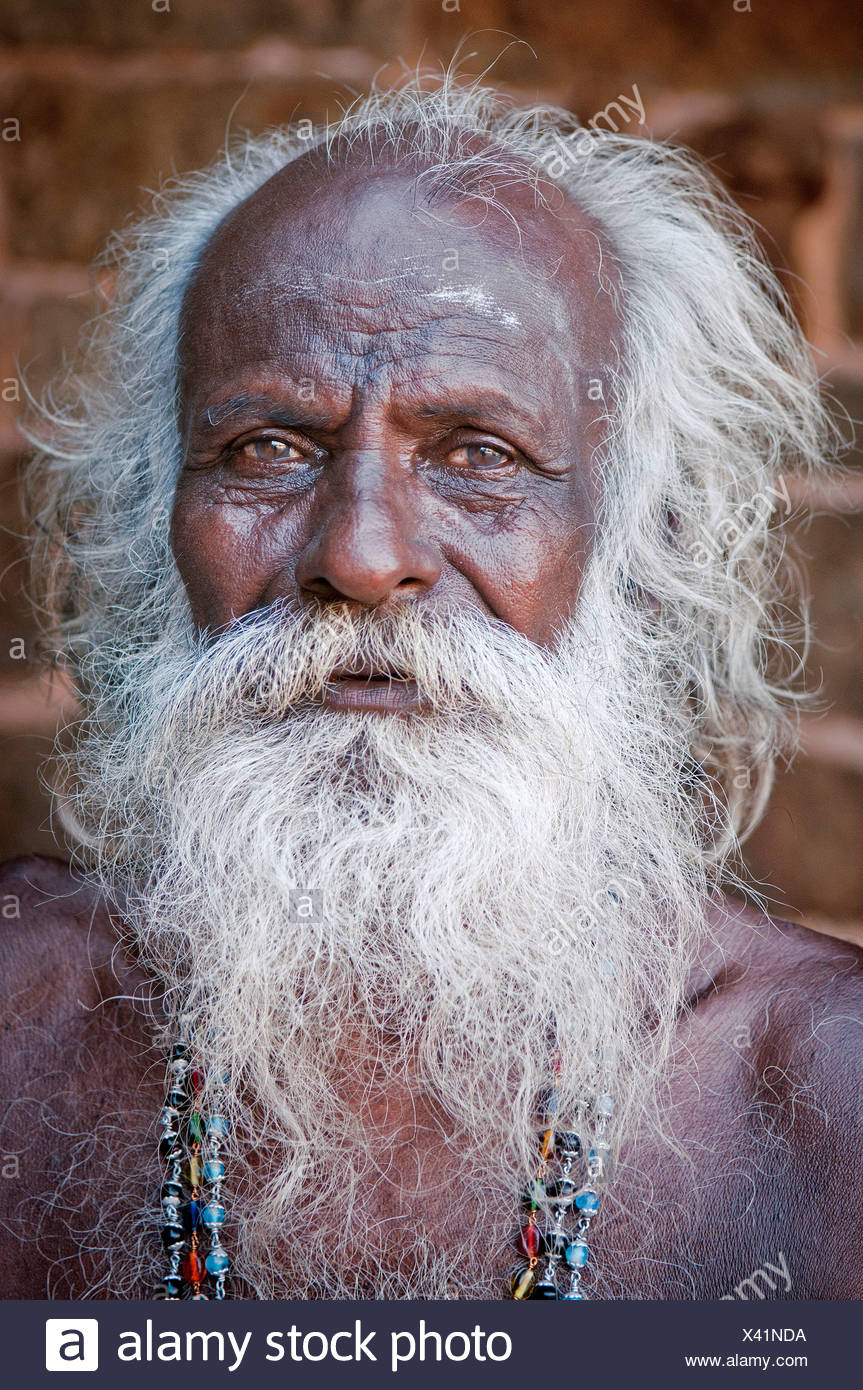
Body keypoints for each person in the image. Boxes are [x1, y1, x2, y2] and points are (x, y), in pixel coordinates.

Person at [1, 77, 861, 1302]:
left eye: (480, 456)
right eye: (267, 450)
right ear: (160, 528)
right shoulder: (15, 1017)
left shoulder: (831, 1097)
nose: (357, 557)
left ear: (644, 543)